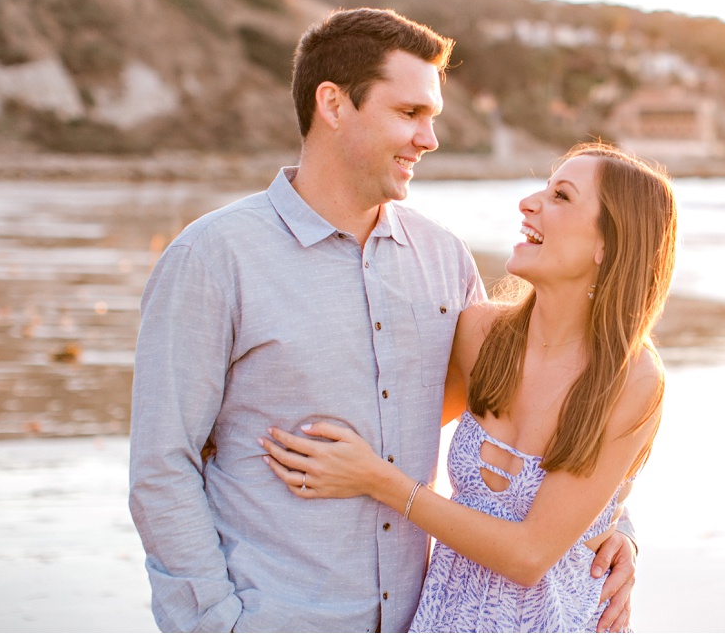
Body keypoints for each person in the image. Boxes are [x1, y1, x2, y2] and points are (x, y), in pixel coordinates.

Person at [128, 8, 637, 633]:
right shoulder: (213, 258)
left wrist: (615, 528)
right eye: (409, 113)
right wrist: (215, 624)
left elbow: (539, 410)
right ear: (334, 104)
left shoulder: (443, 258)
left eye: (433, 118)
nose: (430, 139)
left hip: (422, 620)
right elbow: (162, 466)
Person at [259, 142, 678, 632]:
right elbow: (391, 424)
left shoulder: (632, 379)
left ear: (608, 244)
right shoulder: (480, 334)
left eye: (562, 196)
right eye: (544, 188)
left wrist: (379, 481)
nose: (530, 202)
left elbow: (530, 555)